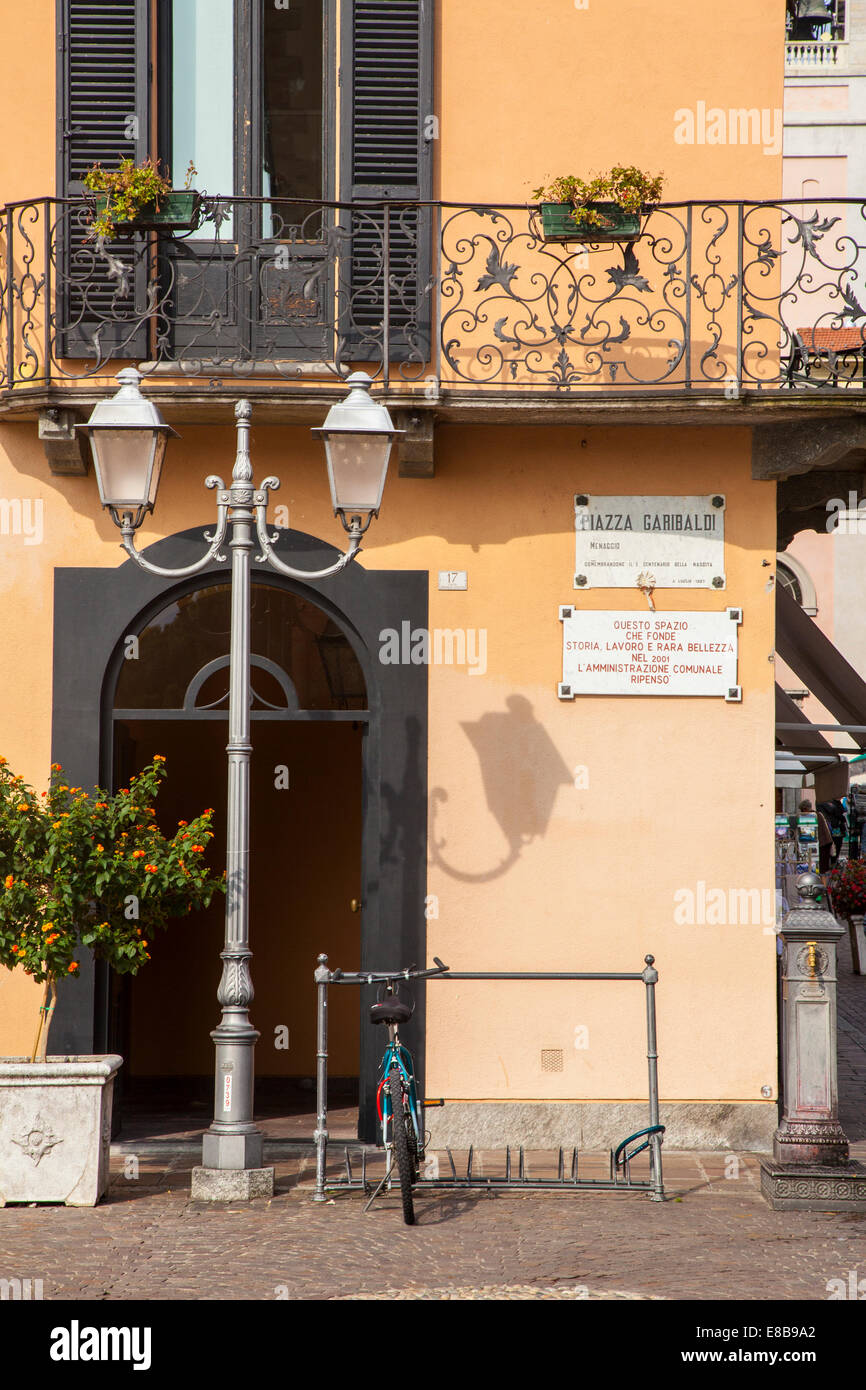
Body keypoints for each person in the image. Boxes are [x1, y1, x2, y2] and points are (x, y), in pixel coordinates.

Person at [799, 798, 833, 873]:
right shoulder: (818, 814)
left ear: (805, 809)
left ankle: (822, 881)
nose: (801, 812)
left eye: (802, 810)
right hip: (824, 842)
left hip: (822, 843)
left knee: (822, 866)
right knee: (822, 865)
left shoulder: (813, 816)